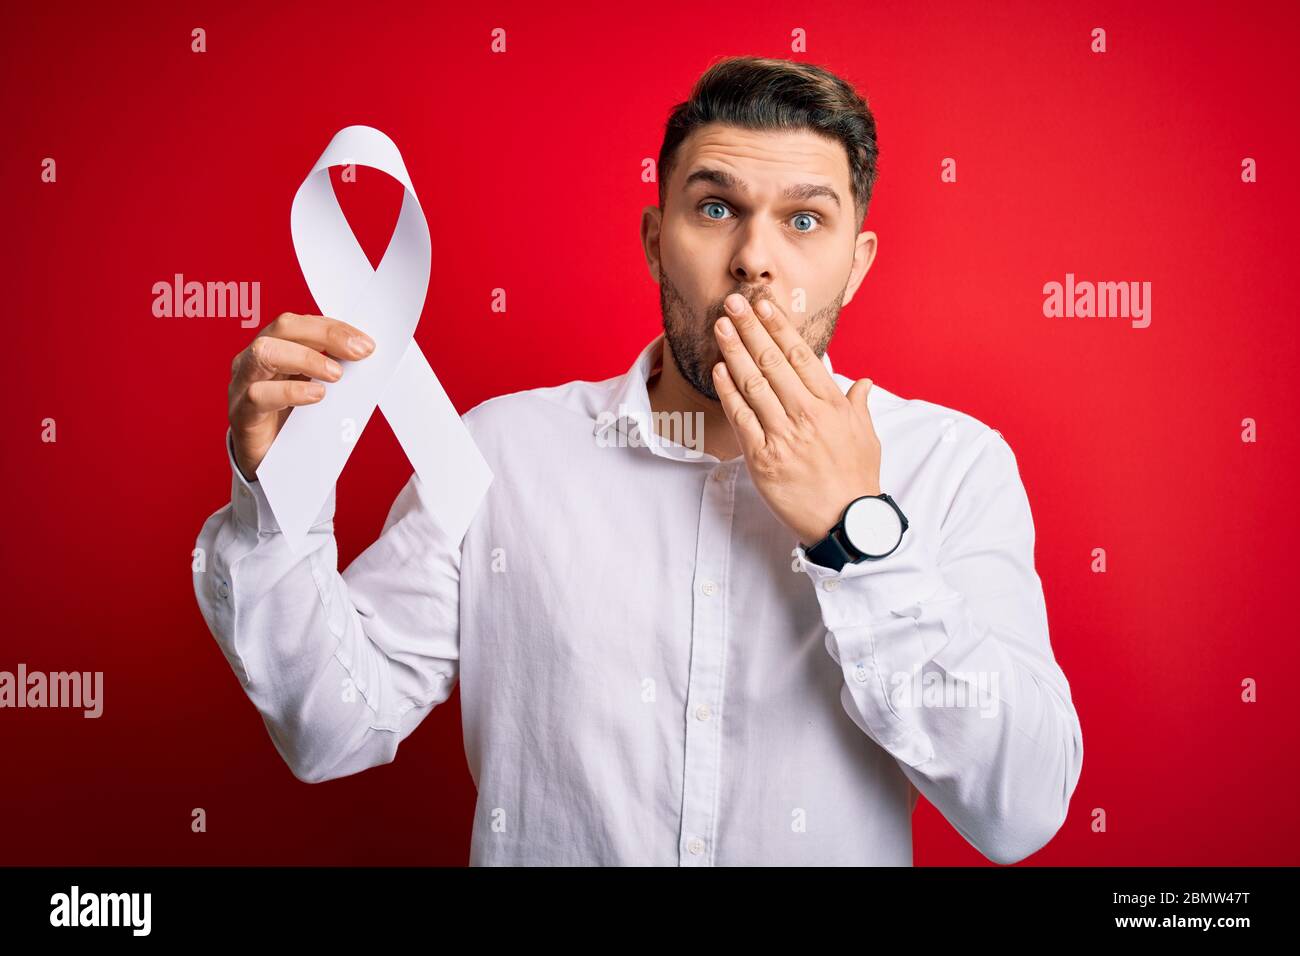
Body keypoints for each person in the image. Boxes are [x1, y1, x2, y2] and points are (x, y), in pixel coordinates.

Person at [194, 55, 1083, 866]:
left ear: (856, 265)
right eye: (716, 208)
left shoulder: (954, 467)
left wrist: (855, 535)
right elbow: (330, 729)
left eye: (805, 220)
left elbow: (1020, 810)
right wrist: (285, 498)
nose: (754, 262)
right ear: (658, 241)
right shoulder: (500, 452)